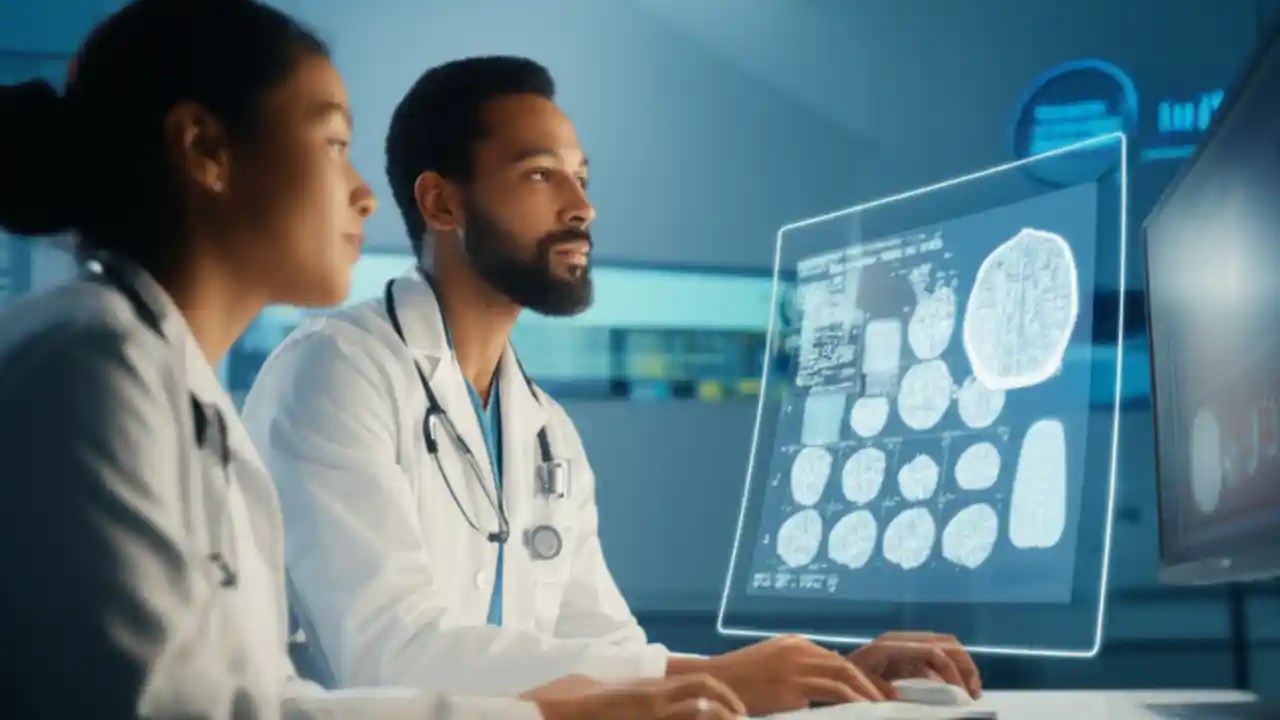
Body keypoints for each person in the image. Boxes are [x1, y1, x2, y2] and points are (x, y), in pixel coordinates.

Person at [0, 4, 747, 718]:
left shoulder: (166, 384)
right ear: (203, 149)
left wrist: (700, 688)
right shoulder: (92, 366)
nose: (360, 193)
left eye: (582, 175)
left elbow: (268, 702)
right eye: (331, 145)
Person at [242, 55, 983, 716]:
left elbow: (610, 649)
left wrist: (828, 680)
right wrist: (740, 675)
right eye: (540, 175)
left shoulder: (543, 429)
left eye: (582, 177)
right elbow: (391, 655)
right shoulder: (337, 372)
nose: (581, 206)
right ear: (441, 203)